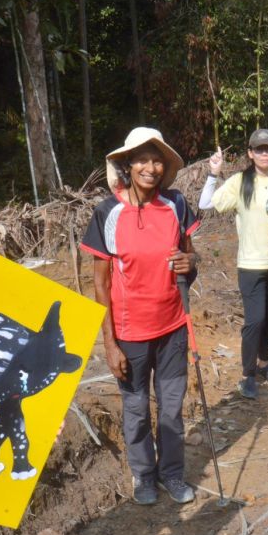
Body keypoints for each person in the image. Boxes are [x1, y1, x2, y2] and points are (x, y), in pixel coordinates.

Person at [83, 127, 198, 505]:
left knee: (171, 408)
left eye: (157, 159)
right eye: (142, 159)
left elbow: (190, 259)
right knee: (135, 410)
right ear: (128, 164)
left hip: (173, 328)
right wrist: (109, 342)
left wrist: (189, 261)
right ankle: (144, 476)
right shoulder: (107, 212)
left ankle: (172, 474)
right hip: (130, 333)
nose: (150, 167)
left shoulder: (177, 204)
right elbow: (100, 285)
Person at [200, 129, 268, 400]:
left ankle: (263, 364)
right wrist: (213, 173)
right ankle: (248, 375)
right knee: (255, 321)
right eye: (258, 149)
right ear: (250, 153)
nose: (264, 154)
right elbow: (205, 204)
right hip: (251, 263)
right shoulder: (240, 181)